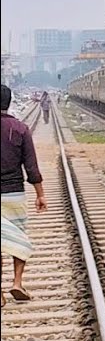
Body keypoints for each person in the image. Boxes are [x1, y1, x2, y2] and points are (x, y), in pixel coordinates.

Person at [1, 83, 46, 305]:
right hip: (14, 195)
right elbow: (32, 167)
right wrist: (40, 194)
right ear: (8, 103)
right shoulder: (19, 128)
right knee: (18, 239)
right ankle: (17, 282)